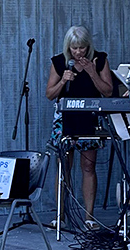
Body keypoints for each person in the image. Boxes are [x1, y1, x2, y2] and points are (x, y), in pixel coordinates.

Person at [46, 25, 113, 228]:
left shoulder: (99, 60)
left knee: (88, 166)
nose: (79, 52)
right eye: (74, 48)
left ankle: (89, 217)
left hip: (89, 117)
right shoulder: (60, 62)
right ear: (69, 47)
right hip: (66, 117)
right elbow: (50, 94)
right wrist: (63, 81)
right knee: (64, 166)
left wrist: (93, 73)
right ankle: (61, 216)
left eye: (82, 48)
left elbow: (108, 92)